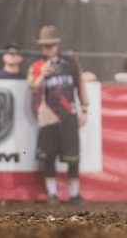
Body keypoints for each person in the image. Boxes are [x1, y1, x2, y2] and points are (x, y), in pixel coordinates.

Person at [28, 25, 89, 204]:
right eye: (45, 46)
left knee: (73, 156)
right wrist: (42, 75)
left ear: (57, 45)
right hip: (47, 117)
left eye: (51, 46)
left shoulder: (70, 63)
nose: (48, 49)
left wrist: (84, 109)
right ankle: (52, 194)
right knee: (48, 155)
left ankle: (74, 194)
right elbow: (31, 86)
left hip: (69, 114)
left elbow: (81, 85)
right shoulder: (37, 66)